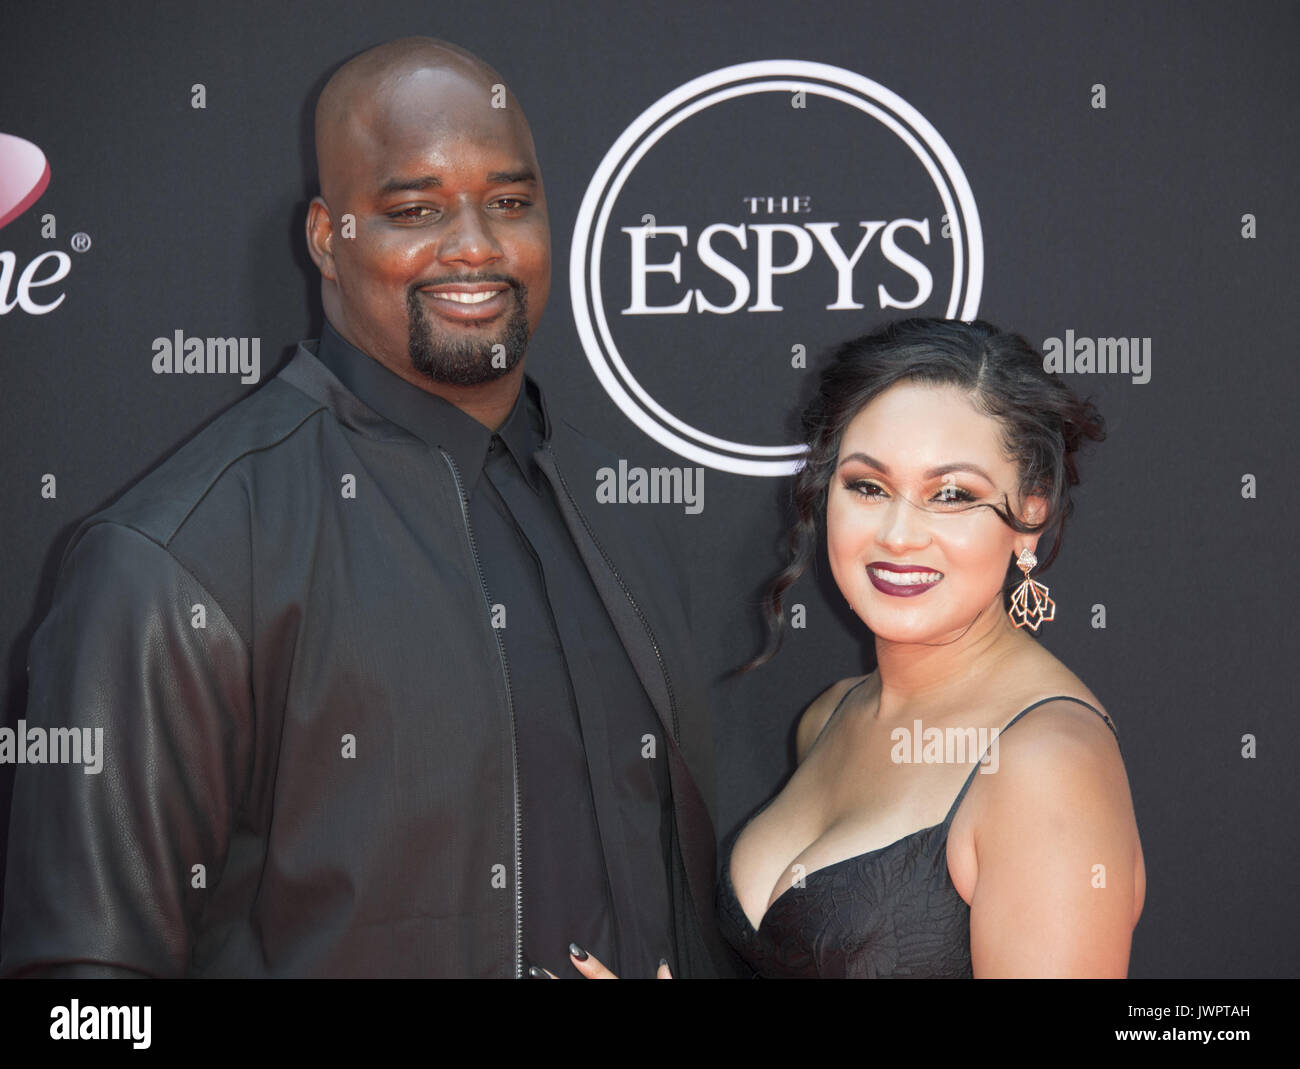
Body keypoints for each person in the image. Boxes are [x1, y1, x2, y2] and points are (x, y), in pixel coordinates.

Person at [0, 37, 738, 979]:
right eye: (415, 209)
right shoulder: (178, 556)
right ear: (325, 239)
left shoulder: (620, 509)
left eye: (509, 203)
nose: (474, 243)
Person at [560, 318, 1145, 979]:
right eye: (867, 485)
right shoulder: (831, 714)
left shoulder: (1048, 763)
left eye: (951, 495)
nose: (898, 533)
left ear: (1030, 515)